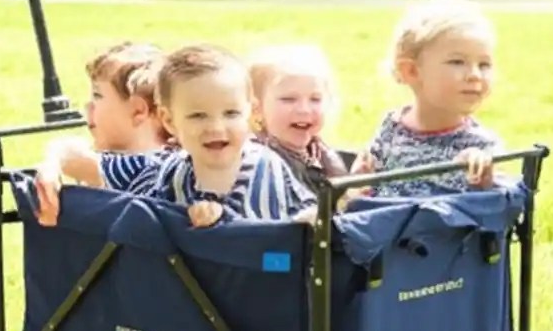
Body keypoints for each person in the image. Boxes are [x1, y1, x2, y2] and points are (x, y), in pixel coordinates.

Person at [38, 45, 318, 228]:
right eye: (198, 116)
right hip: (182, 311)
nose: (216, 128)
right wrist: (52, 165)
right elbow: (79, 158)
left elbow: (307, 229)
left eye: (231, 114)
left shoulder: (266, 168)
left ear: (251, 112)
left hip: (265, 302)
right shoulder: (166, 169)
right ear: (169, 121)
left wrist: (224, 221)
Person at [353, 0, 501, 197]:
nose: (475, 75)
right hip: (385, 226)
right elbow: (366, 188)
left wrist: (483, 177)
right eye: (457, 62)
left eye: (484, 65)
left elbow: (493, 208)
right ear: (411, 71)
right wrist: (358, 182)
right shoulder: (392, 127)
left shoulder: (481, 146)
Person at [33, 42, 174, 216]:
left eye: (97, 95)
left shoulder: (144, 167)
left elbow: (72, 155)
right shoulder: (178, 158)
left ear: (138, 111)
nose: (88, 106)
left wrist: (52, 165)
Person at [247, 44, 348, 196]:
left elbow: (339, 200)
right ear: (257, 108)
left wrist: (354, 181)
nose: (304, 109)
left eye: (315, 99)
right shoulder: (259, 163)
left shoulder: (320, 153)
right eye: (289, 99)